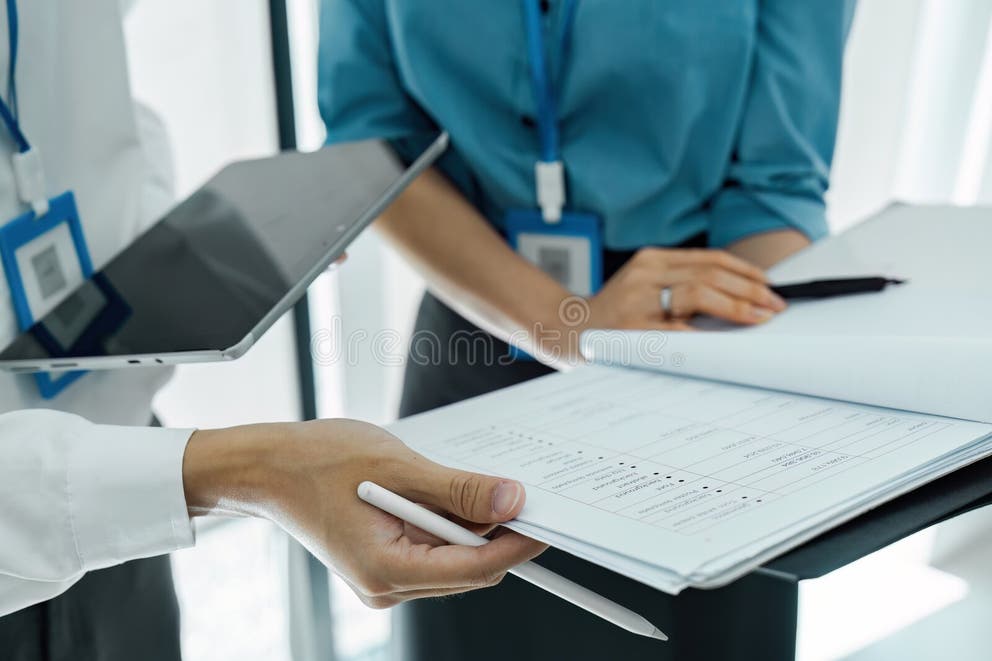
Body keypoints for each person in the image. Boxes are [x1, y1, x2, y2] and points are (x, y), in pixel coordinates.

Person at [0, 2, 545, 660]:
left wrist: (171, 241)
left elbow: (101, 107)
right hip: (77, 504)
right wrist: (254, 470)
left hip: (127, 499)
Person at [317, 0, 856, 658]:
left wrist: (737, 363)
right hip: (477, 319)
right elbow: (370, 137)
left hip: (693, 327)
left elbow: (777, 181)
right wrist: (563, 324)